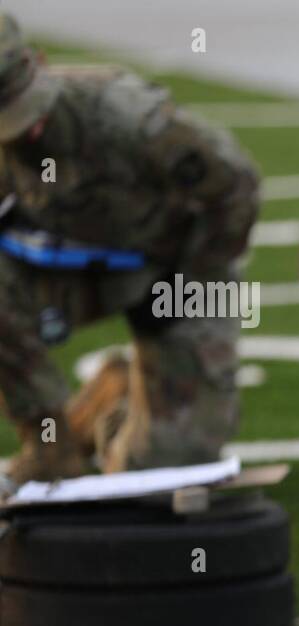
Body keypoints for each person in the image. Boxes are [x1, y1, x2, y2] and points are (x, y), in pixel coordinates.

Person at [0, 14, 259, 486]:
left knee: (162, 474)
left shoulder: (125, 116)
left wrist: (188, 282)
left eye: (26, 113)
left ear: (40, 64)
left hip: (181, 267)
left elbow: (237, 188)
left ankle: (120, 404)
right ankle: (51, 444)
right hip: (85, 269)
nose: (24, 136)